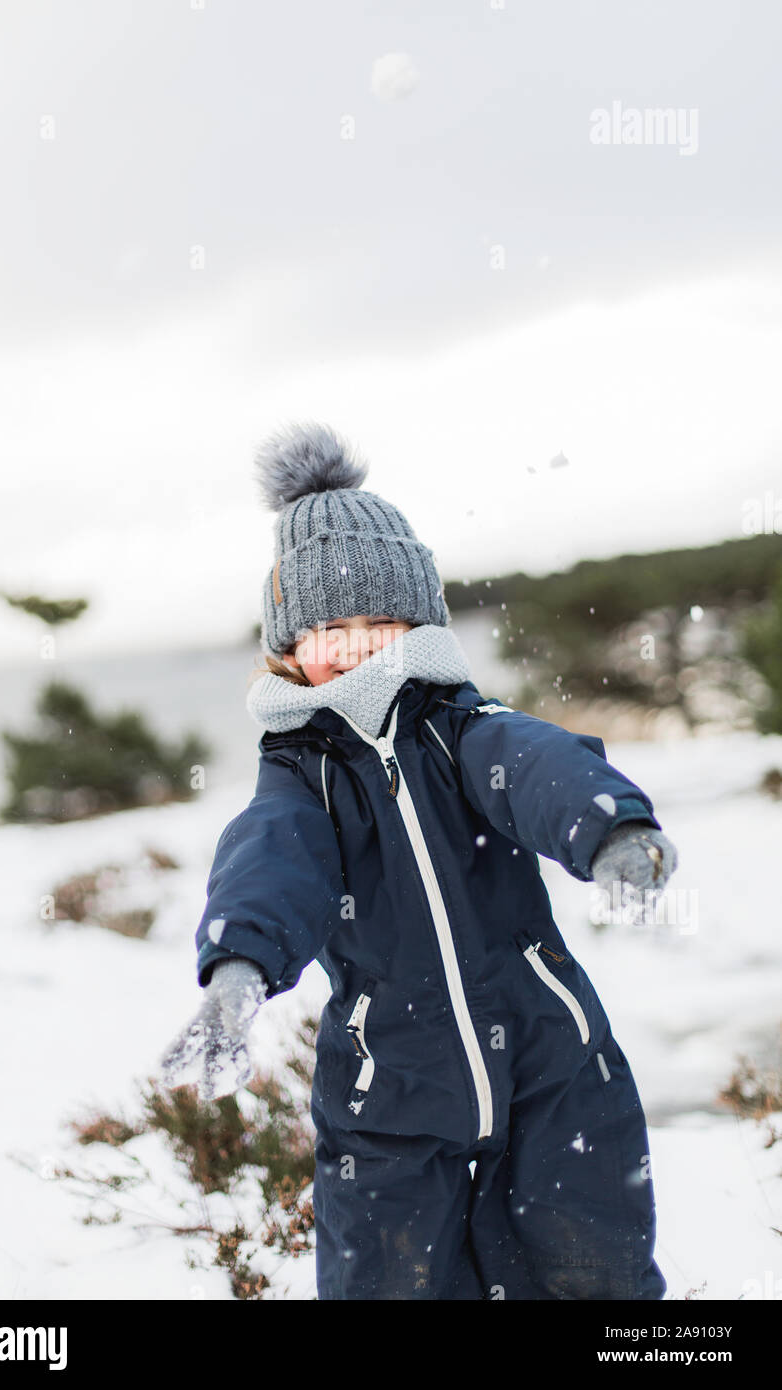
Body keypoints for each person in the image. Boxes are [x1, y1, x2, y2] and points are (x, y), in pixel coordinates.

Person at [160, 421, 677, 1301]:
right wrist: (238, 970)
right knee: (392, 1279)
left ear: (418, 622)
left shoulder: (462, 729)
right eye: (332, 628)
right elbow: (270, 863)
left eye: (379, 620)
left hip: (549, 1054)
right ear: (291, 651)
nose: (358, 643)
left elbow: (540, 766)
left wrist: (611, 828)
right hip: (385, 1088)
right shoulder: (300, 776)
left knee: (594, 1261)